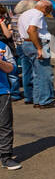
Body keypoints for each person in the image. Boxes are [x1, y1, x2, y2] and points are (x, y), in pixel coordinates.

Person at [17, 0, 55, 107]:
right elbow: (31, 30)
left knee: (37, 74)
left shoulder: (25, 14)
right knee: (45, 74)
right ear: (45, 8)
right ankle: (45, 100)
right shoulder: (38, 14)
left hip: (27, 44)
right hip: (36, 44)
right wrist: (39, 48)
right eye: (50, 10)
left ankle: (38, 100)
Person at [0, 35, 18, 168]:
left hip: (2, 91)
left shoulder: (2, 46)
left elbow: (12, 68)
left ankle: (6, 157)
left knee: (4, 125)